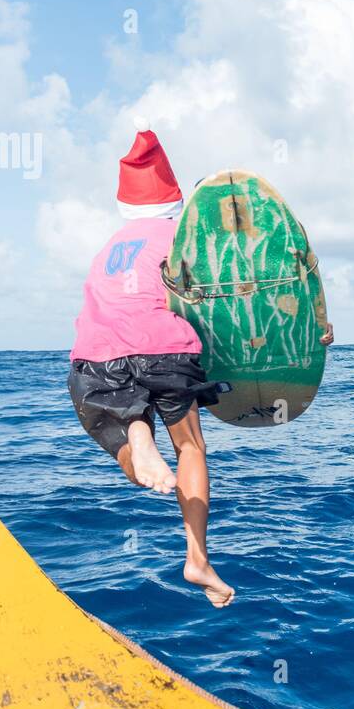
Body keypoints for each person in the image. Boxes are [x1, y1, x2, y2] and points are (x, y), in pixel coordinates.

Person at [67, 128, 236, 607]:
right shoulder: (183, 237)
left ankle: (136, 437)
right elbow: (230, 308)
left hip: (92, 358)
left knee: (120, 436)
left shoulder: (108, 249)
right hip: (162, 349)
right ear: (173, 205)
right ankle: (198, 558)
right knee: (190, 447)